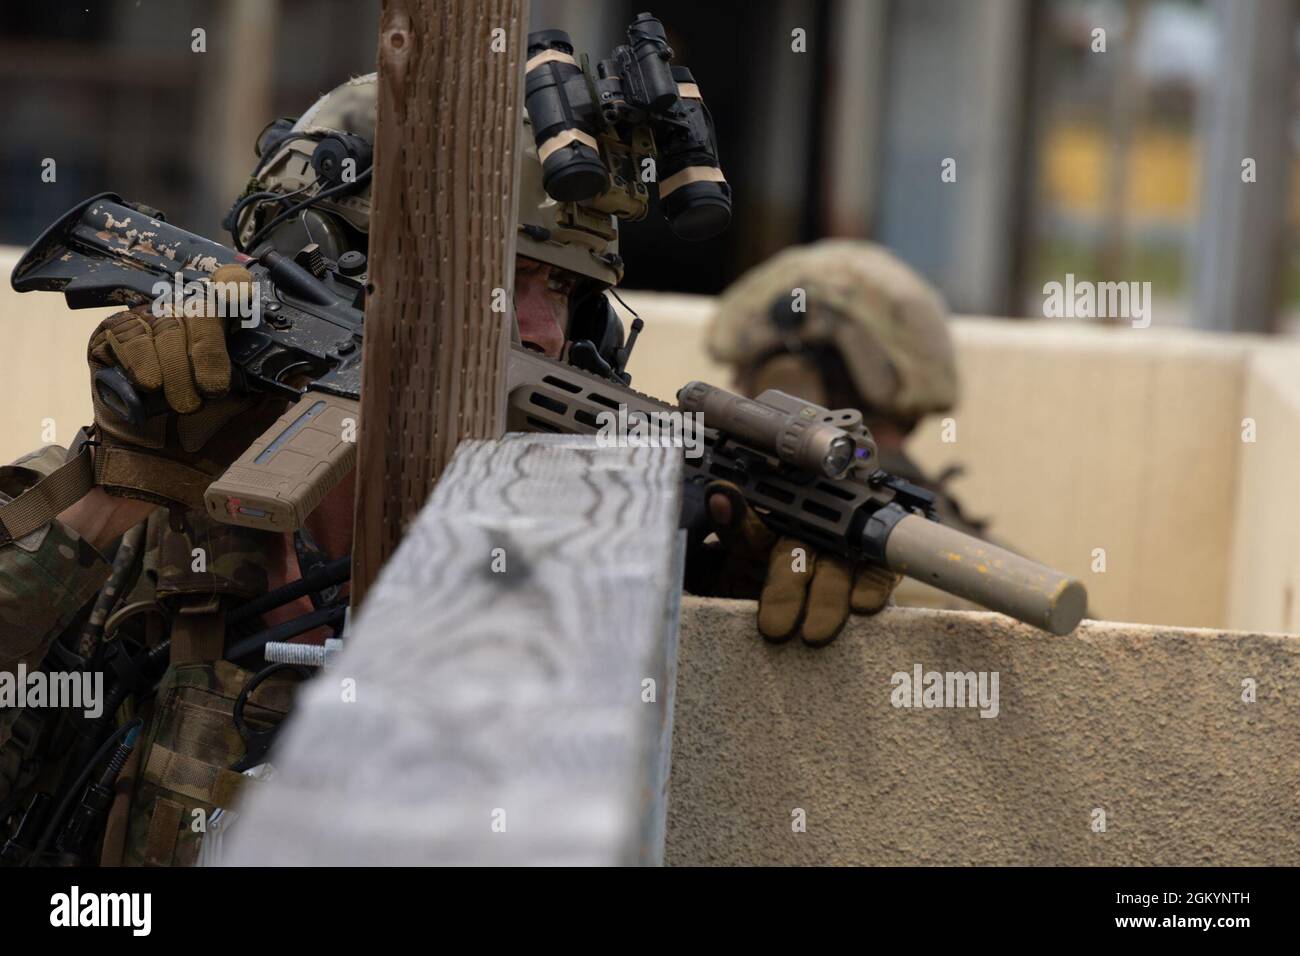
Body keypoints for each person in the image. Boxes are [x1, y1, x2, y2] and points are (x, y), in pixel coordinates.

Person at [0, 70, 875, 866]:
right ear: (325, 269)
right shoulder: (123, 517)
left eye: (566, 291)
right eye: (505, 275)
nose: (540, 328)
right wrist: (110, 496)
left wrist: (745, 559)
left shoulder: (584, 554)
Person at [702, 239, 993, 612]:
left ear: (793, 380)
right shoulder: (989, 564)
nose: (739, 388)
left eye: (747, 371)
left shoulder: (755, 548)